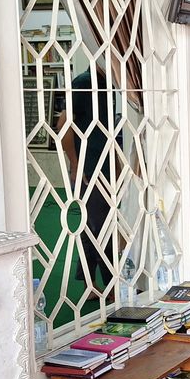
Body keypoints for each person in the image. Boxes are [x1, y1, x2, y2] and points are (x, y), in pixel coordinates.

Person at [57, 68, 122, 302]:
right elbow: (63, 125)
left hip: (105, 167)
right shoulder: (84, 83)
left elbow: (108, 131)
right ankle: (112, 286)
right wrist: (76, 165)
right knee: (102, 229)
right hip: (88, 171)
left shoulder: (110, 84)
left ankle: (88, 282)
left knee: (90, 227)